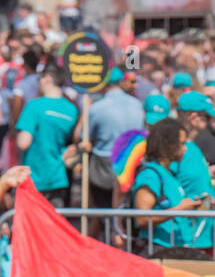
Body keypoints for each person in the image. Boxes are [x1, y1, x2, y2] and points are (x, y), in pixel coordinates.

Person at [78, 66, 144, 235]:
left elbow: (82, 136)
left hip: (105, 170)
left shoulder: (96, 107)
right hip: (129, 167)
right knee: (123, 215)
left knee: (103, 215)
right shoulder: (137, 104)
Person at [132, 117, 202, 256]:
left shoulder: (170, 173)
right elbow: (142, 219)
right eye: (182, 144)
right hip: (156, 251)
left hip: (173, 250)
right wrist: (179, 209)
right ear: (167, 144)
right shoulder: (150, 175)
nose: (185, 148)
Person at [15, 66, 78, 207]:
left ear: (47, 78)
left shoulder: (34, 106)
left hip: (33, 177)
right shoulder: (72, 109)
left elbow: (23, 142)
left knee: (30, 226)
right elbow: (72, 143)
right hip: (58, 177)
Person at [174, 91, 215, 250]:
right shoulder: (176, 149)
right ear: (193, 117)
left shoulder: (192, 147)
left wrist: (209, 173)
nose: (210, 122)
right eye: (207, 117)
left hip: (202, 235)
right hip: (185, 238)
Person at [10, 47, 40, 128]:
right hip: (40, 122)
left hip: (26, 123)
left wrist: (15, 127)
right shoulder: (43, 80)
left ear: (25, 65)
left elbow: (16, 108)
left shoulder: (21, 84)